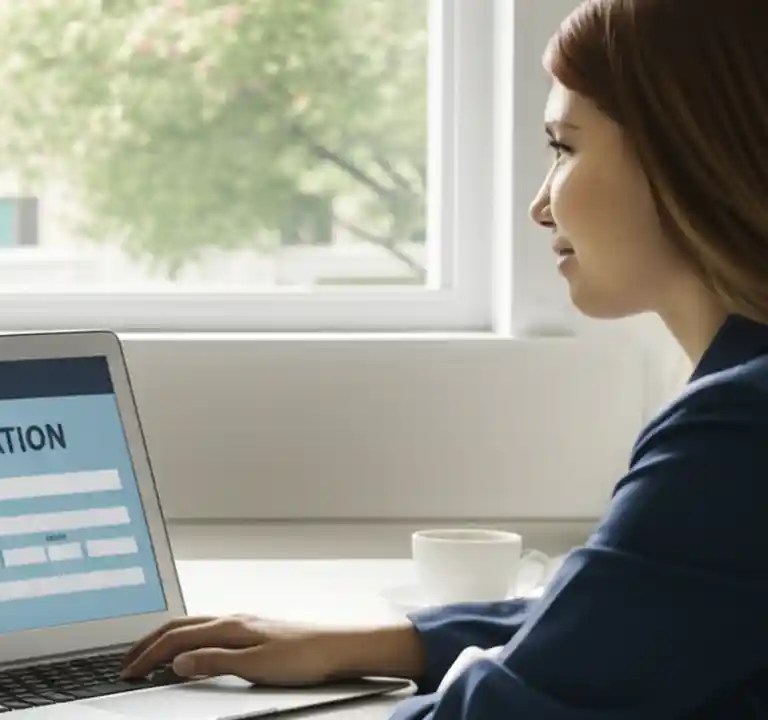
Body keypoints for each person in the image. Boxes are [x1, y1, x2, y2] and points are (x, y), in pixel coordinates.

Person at [119, 0, 768, 716]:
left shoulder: (736, 432)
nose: (541, 206)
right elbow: (636, 614)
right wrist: (383, 641)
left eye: (564, 147)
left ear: (686, 154)